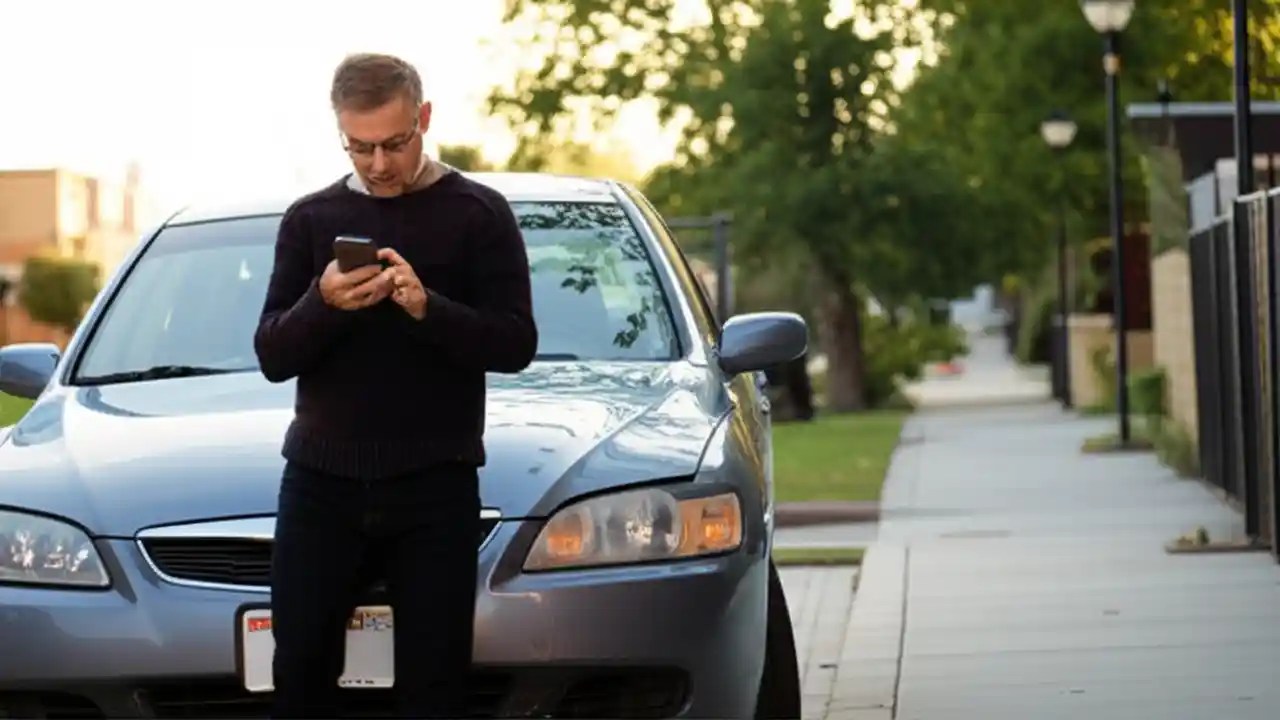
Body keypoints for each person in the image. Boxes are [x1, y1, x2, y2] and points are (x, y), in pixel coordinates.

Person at [253, 52, 538, 718]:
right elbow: (272, 353)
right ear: (341, 134)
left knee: (435, 688)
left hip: (435, 488)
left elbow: (516, 343)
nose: (378, 163)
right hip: (320, 487)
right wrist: (322, 301)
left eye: (394, 143)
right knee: (299, 678)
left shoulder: (480, 214)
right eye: (360, 147)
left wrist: (426, 308)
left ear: (424, 119)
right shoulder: (308, 220)